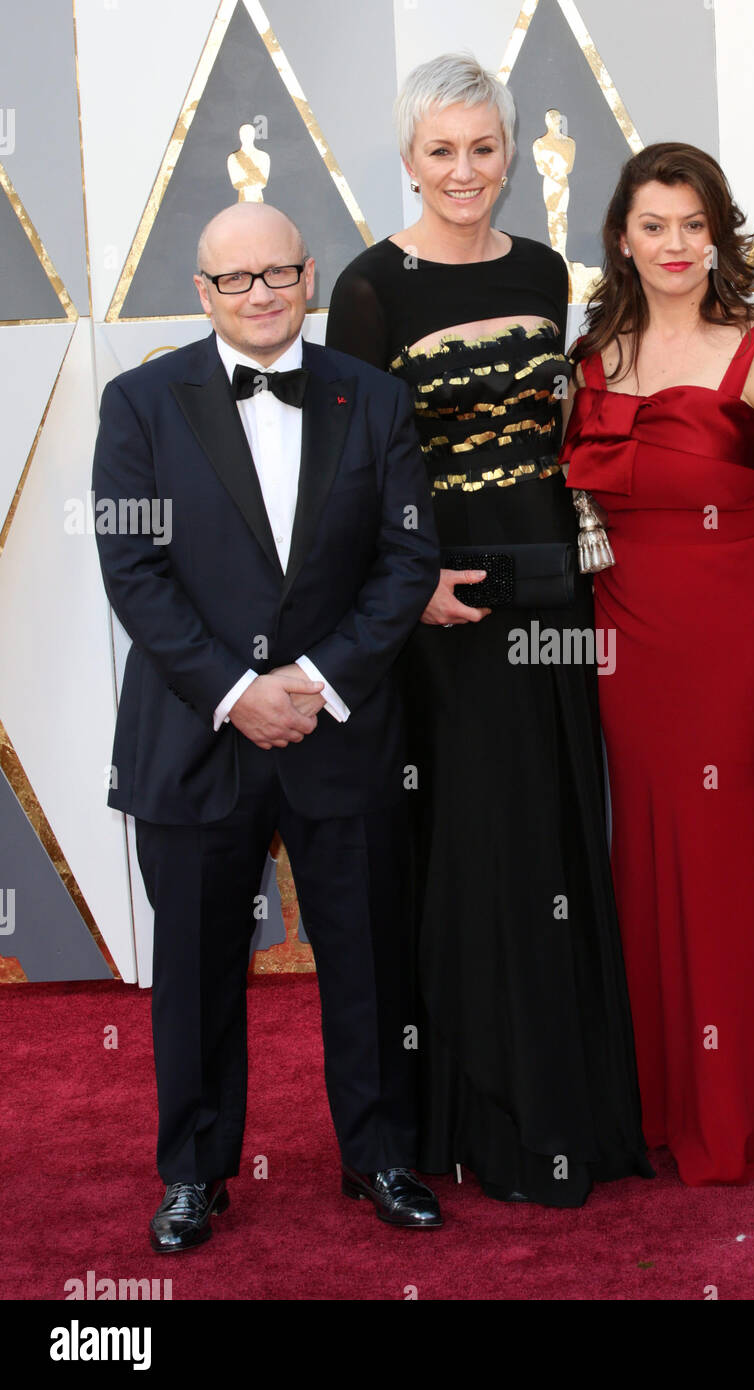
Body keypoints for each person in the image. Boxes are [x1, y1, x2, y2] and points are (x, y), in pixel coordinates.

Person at [326, 53, 650, 1207]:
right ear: (408, 160)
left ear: (512, 156)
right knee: (476, 856)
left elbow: (561, 446)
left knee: (560, 840)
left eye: (483, 148)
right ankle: (479, 1127)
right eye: (440, 151)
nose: (464, 171)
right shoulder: (371, 288)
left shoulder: (546, 270)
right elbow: (352, 471)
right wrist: (406, 587)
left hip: (551, 596)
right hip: (443, 610)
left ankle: (575, 1112)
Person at [92, 202, 444, 1249]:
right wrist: (236, 692)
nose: (259, 294)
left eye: (277, 274)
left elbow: (405, 560)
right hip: (197, 737)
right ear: (201, 292)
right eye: (234, 279)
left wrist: (317, 679)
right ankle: (195, 1173)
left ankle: (381, 1155)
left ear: (309, 276)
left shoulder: (376, 399)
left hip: (343, 725)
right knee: (196, 970)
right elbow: (133, 570)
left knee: (371, 959)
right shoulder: (139, 402)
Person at [560, 143, 754, 1186]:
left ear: (720, 236)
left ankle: (730, 1118)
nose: (674, 245)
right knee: (643, 871)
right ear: (622, 238)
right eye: (654, 224)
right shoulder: (587, 359)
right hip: (626, 648)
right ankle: (658, 1107)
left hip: (739, 644)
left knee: (724, 878)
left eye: (693, 225)